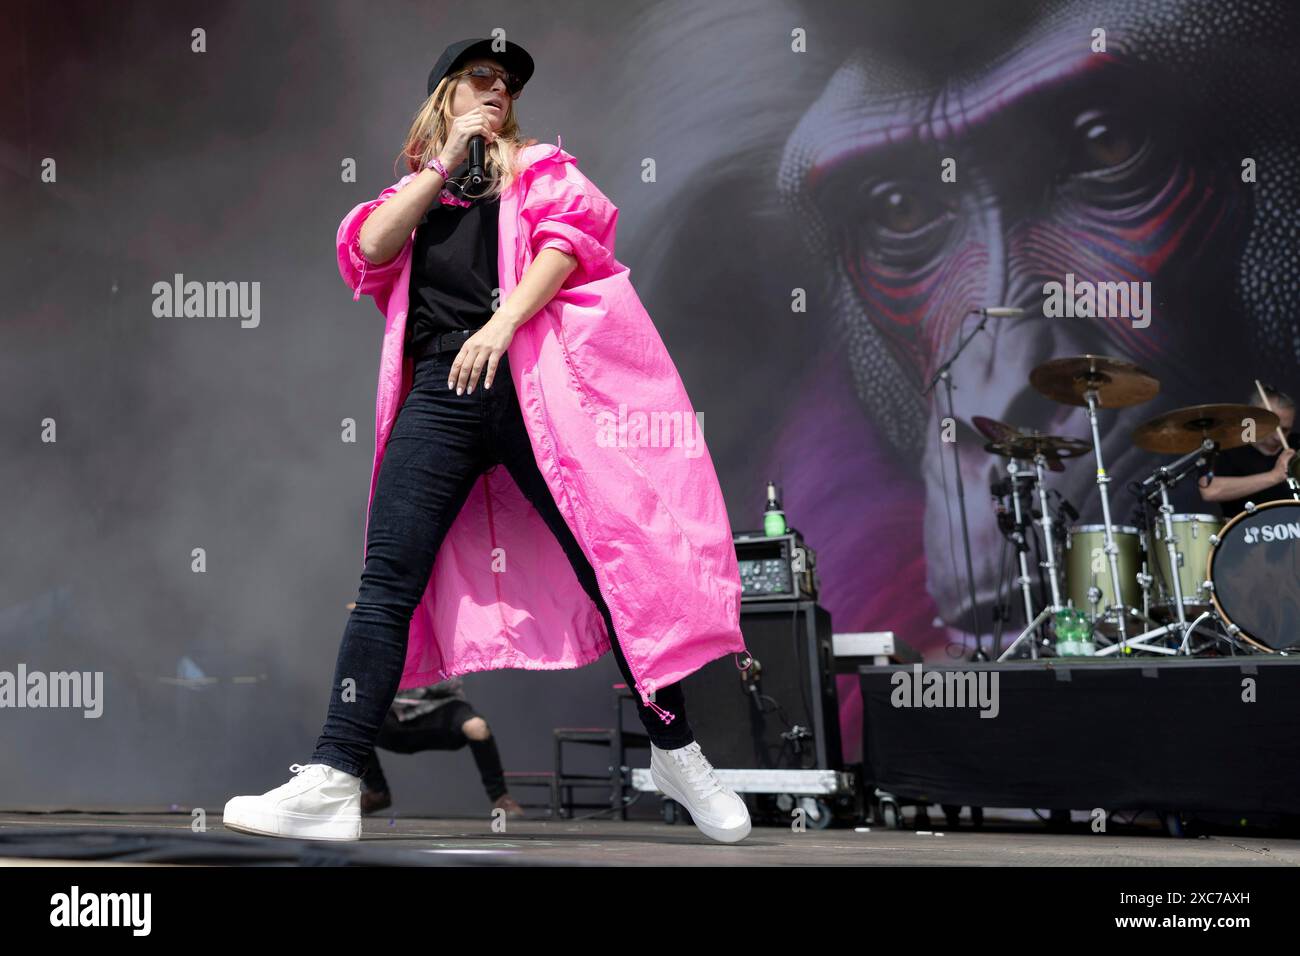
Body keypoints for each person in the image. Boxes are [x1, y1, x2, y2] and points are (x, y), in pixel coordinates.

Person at [222, 38, 751, 844]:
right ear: (444, 94)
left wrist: (502, 326)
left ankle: (677, 752)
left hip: (536, 384)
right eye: (482, 78)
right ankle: (334, 776)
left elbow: (571, 244)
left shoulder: (538, 167)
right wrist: (446, 162)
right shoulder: (416, 189)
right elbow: (367, 250)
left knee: (610, 566)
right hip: (440, 389)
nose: (499, 89)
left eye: (507, 84)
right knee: (386, 579)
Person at [357, 677, 523, 818]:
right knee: (354, 725)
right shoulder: (382, 643)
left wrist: (416, 678)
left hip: (439, 708)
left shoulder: (443, 641)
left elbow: (450, 684)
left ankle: (501, 798)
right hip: (394, 713)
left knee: (476, 727)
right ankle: (377, 793)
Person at [1198, 385, 1299, 519]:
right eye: (1273, 427)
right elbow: (1209, 490)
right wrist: (1274, 476)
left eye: (1285, 430)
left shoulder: (1296, 444)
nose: (1277, 436)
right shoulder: (1227, 447)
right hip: (1246, 534)